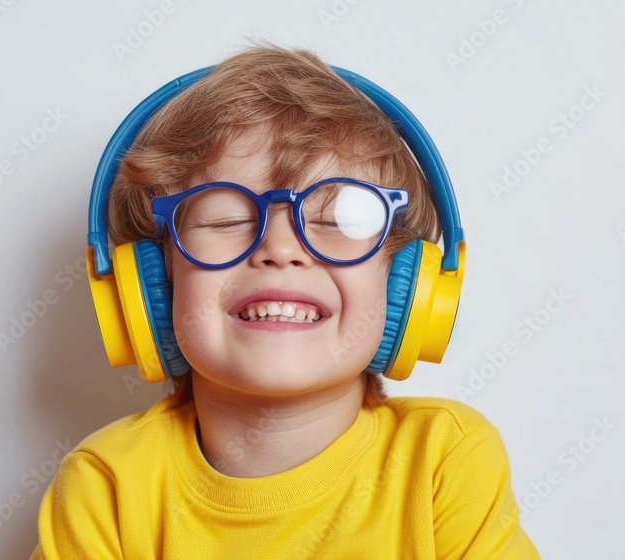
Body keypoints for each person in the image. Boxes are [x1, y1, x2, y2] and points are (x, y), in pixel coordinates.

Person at [30, 42, 540, 559]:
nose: (281, 248)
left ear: (404, 287)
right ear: (153, 283)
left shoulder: (444, 462)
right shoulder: (107, 488)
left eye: (338, 220)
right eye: (227, 219)